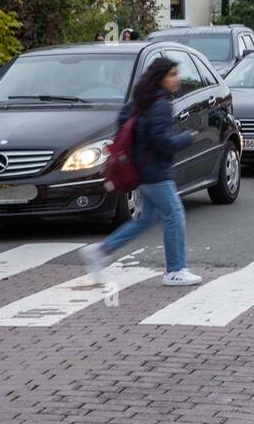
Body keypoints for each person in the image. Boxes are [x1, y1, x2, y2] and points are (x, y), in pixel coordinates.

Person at [80, 57, 202, 287]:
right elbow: (162, 142)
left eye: (177, 74)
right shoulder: (161, 104)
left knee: (146, 219)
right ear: (160, 78)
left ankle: (100, 251)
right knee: (174, 215)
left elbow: (123, 123)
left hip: (140, 170)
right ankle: (175, 270)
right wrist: (186, 138)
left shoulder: (141, 100)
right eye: (172, 75)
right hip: (156, 171)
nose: (177, 79)